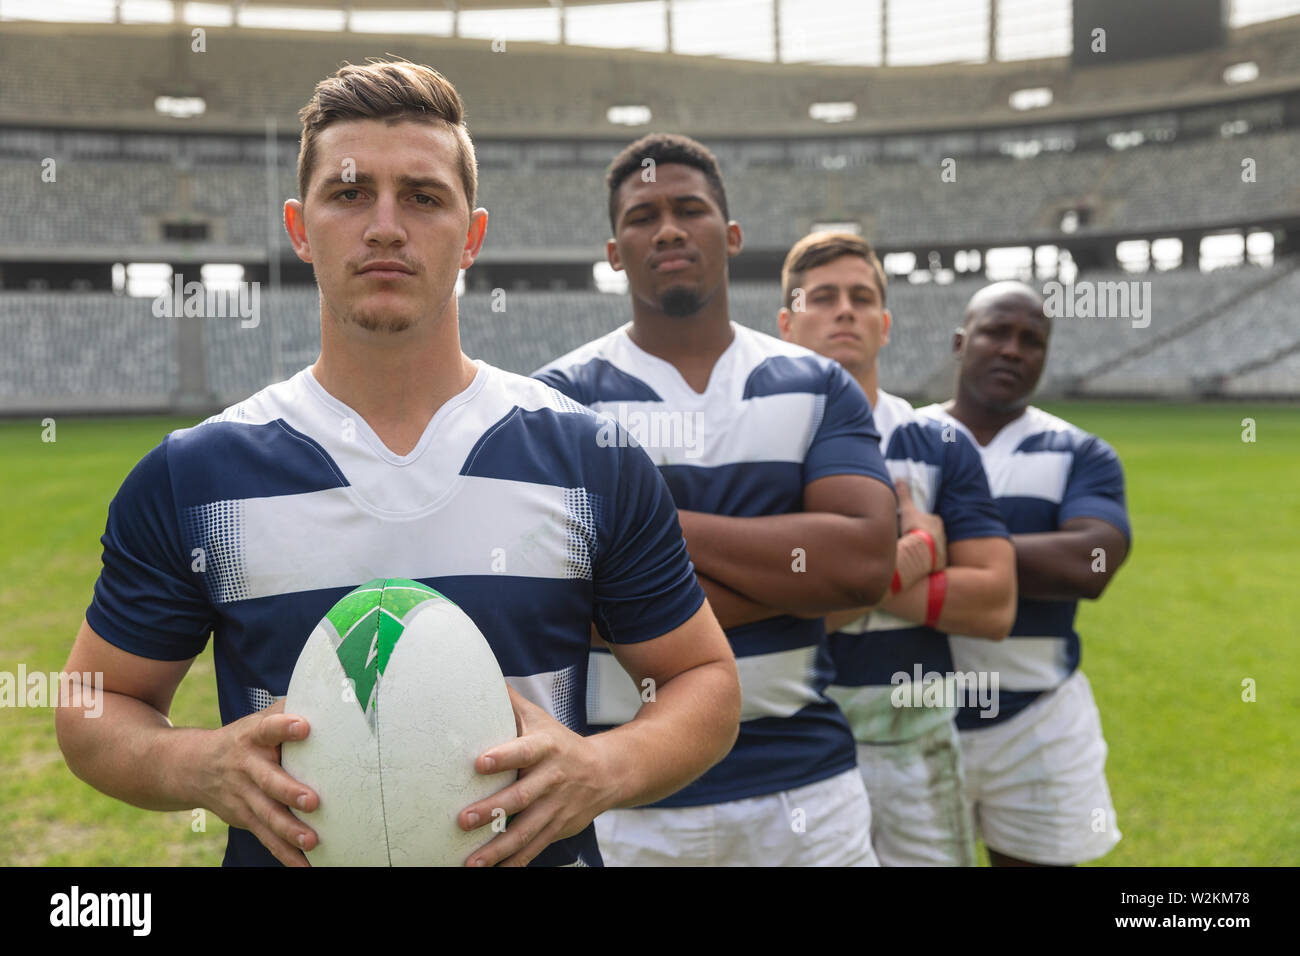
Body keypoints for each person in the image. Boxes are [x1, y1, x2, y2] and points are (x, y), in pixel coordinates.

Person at [54, 61, 741, 869]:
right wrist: (193, 764)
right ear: (299, 229)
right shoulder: (196, 475)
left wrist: (604, 766)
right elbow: (92, 702)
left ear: (472, 236)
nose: (385, 226)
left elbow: (704, 681)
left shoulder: (589, 459)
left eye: (422, 196)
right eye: (349, 194)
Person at [534, 135, 898, 866]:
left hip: (808, 794)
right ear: (614, 251)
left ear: (730, 236)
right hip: (626, 795)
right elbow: (562, 602)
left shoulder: (814, 382)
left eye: (689, 208)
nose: (667, 228)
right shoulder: (559, 401)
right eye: (642, 216)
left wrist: (647, 544)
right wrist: (794, 575)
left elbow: (861, 564)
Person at [777, 231, 1016, 866]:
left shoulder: (939, 440)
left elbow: (994, 604)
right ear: (786, 323)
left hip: (918, 731)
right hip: (797, 736)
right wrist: (908, 554)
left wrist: (840, 583)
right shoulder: (760, 453)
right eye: (822, 297)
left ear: (884, 325)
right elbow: (754, 619)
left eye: (860, 298)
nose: (844, 310)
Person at [917, 280, 1131, 867]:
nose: (1012, 349)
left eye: (1031, 340)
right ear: (962, 341)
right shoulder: (902, 437)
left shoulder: (1079, 452)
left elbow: (1091, 563)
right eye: (995, 332)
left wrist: (929, 547)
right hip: (911, 718)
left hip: (1039, 717)